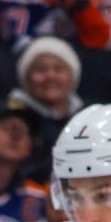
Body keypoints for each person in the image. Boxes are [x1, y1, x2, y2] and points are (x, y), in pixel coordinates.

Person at [9, 36, 86, 181]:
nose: (50, 76)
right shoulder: (10, 120)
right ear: (26, 78)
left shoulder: (87, 121)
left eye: (59, 69)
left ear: (73, 78)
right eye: (41, 69)